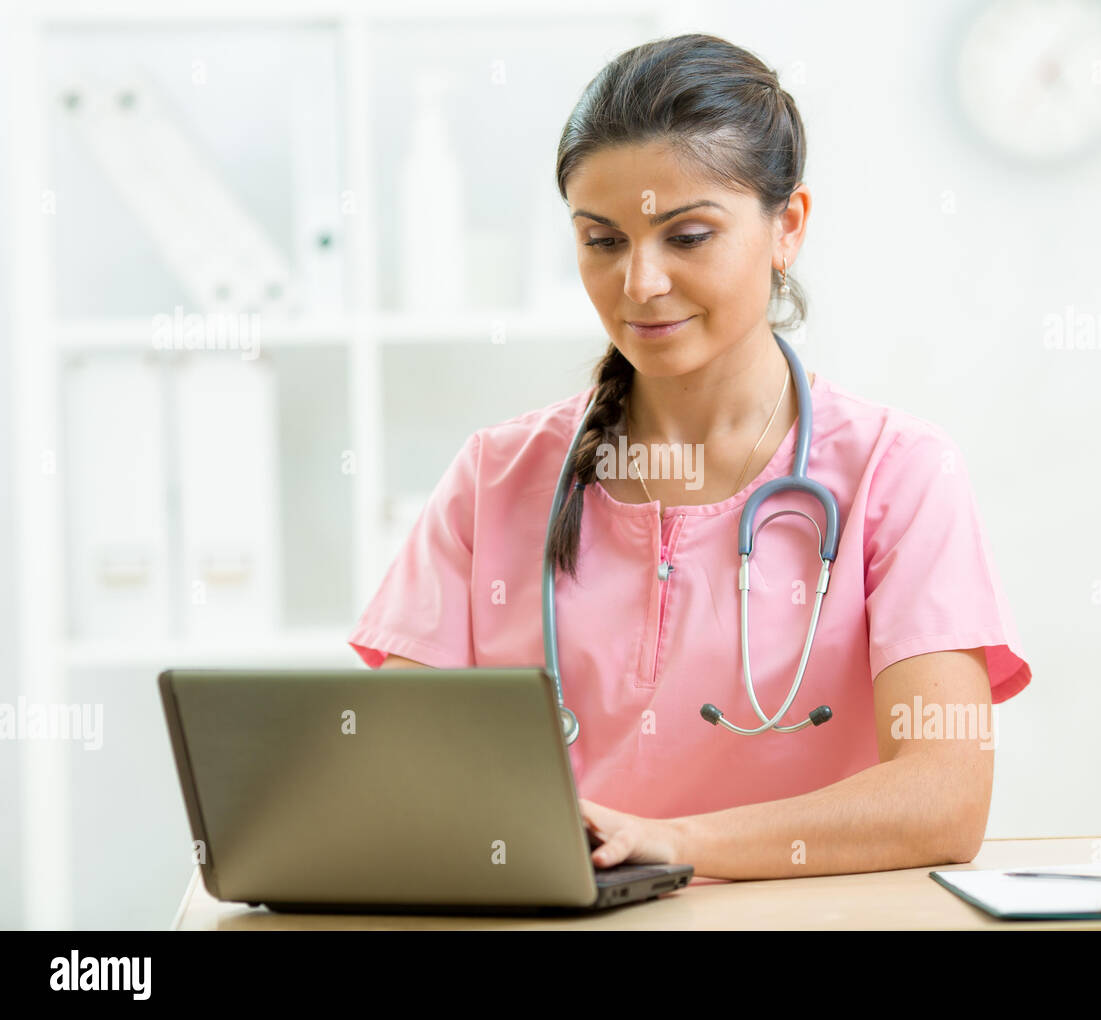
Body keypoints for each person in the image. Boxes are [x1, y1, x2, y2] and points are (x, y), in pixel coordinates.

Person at [348, 33, 1031, 881]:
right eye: (602, 241)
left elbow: (944, 798)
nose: (640, 282)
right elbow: (393, 768)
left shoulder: (902, 474)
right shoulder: (497, 479)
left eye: (689, 235)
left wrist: (678, 845)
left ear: (788, 228)